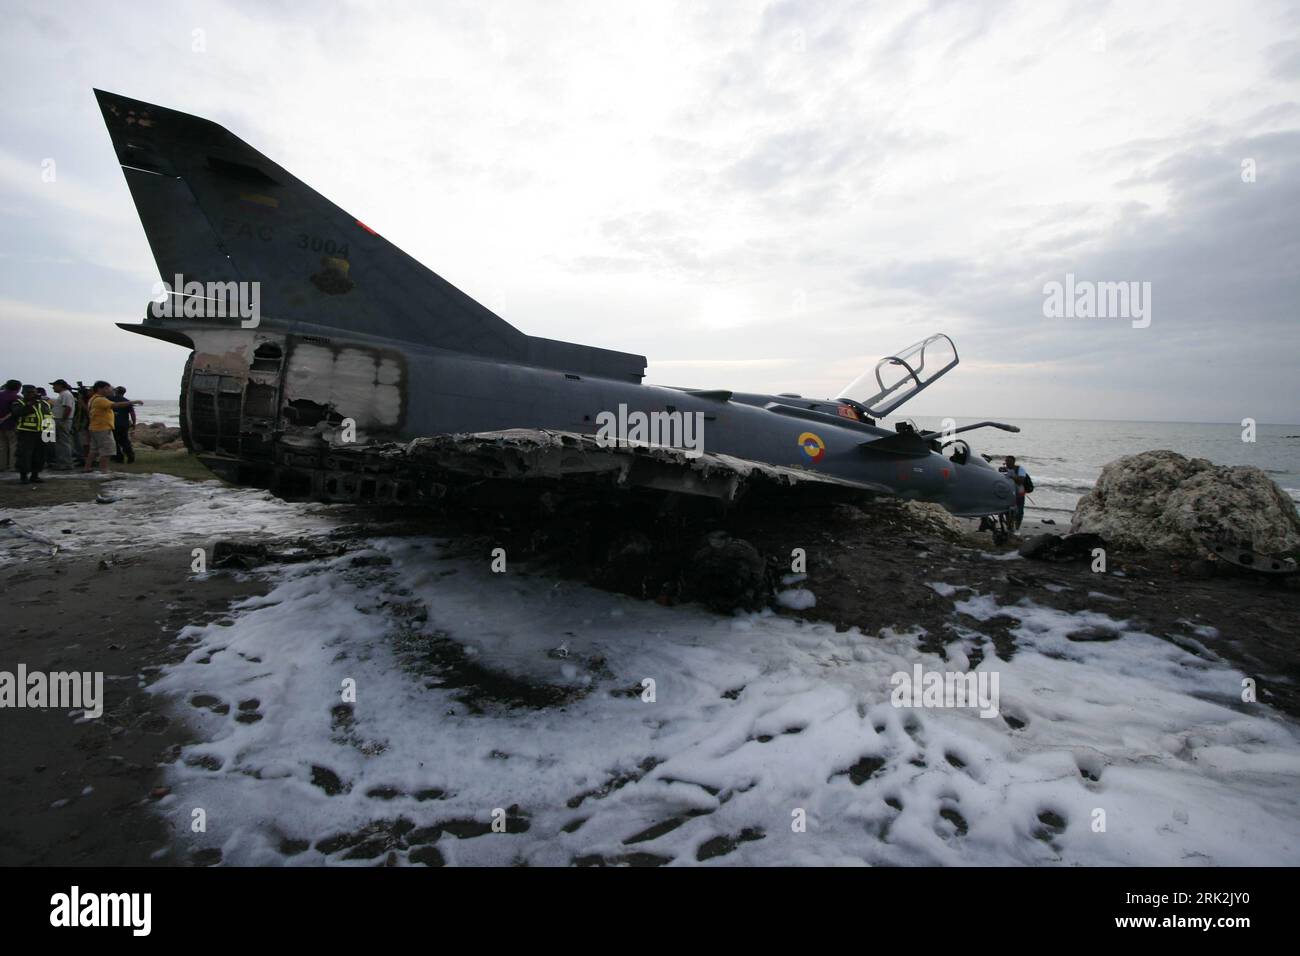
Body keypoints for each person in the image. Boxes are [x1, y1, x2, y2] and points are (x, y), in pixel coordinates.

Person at [84, 381, 141, 474]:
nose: (110, 390)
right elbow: (115, 405)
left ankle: (87, 467)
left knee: (94, 450)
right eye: (108, 388)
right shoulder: (100, 399)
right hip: (102, 428)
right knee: (107, 450)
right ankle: (104, 470)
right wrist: (134, 402)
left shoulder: (94, 398)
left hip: (95, 427)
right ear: (100, 389)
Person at [12, 384, 52, 484]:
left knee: (39, 455)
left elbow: (49, 417)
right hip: (26, 433)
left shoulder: (44, 404)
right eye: (29, 393)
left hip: (42, 433)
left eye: (33, 392)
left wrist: (50, 433)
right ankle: (23, 476)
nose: (32, 394)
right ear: (23, 393)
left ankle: (35, 475)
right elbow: (18, 413)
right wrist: (31, 403)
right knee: (24, 455)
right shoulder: (18, 403)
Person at [48, 379, 77, 469]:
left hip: (62, 420)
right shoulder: (64, 394)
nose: (53, 387)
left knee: (63, 442)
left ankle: (66, 463)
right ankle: (62, 462)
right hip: (60, 419)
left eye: (55, 385)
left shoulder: (66, 394)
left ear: (60, 386)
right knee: (60, 442)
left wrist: (63, 420)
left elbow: (68, 408)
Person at [110, 385, 137, 464]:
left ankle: (118, 457)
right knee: (125, 440)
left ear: (116, 391)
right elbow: (132, 413)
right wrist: (134, 423)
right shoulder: (127, 401)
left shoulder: (110, 400)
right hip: (124, 424)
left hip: (113, 423)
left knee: (114, 441)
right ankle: (130, 456)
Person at [1003, 455, 1031, 532]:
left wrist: (1011, 476)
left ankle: (1017, 527)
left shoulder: (1020, 469)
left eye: (1008, 461)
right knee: (1007, 511)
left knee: (1019, 512)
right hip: (1008, 493)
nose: (1007, 463)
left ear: (1013, 461)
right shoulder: (1004, 469)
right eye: (1006, 461)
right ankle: (1009, 527)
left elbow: (1021, 480)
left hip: (1019, 493)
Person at [0, 379, 20, 472]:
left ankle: (2, 465)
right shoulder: (15, 397)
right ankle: (13, 466)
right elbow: (14, 411)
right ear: (18, 388)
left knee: (2, 445)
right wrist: (4, 418)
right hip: (10, 424)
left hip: (1, 425)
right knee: (13, 445)